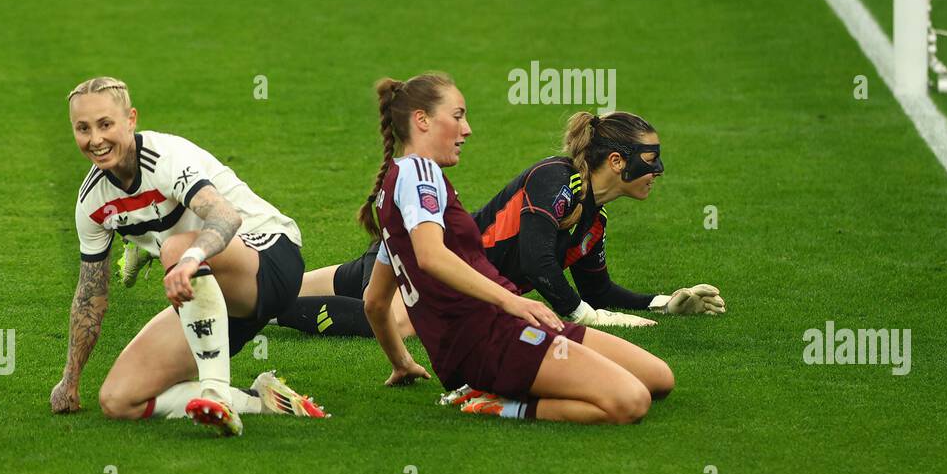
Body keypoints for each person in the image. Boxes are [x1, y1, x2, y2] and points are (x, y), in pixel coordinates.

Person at [359, 72, 674, 423]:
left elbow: (375, 301)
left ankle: (519, 381)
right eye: (459, 116)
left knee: (659, 378)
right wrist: (512, 300)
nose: (467, 129)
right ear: (422, 119)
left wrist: (402, 362)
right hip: (490, 339)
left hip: (504, 325)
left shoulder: (397, 187)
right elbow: (432, 257)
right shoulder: (421, 173)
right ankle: (494, 403)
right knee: (630, 402)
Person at [50, 76, 327, 437]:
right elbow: (90, 297)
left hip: (270, 258)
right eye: (82, 129)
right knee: (119, 400)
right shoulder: (92, 203)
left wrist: (190, 257)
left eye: (105, 124)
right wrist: (69, 381)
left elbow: (226, 216)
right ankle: (260, 400)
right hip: (211, 294)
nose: (95, 139)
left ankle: (215, 392)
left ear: (131, 120)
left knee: (175, 248)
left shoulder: (163, 157)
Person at [287, 111, 724, 337]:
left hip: (414, 267)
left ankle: (259, 303)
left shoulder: (594, 222)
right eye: (650, 161)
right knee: (402, 325)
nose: (658, 171)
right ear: (615, 161)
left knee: (277, 284)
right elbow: (537, 263)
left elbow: (599, 291)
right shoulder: (556, 178)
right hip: (427, 269)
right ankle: (267, 309)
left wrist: (664, 303)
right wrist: (586, 319)